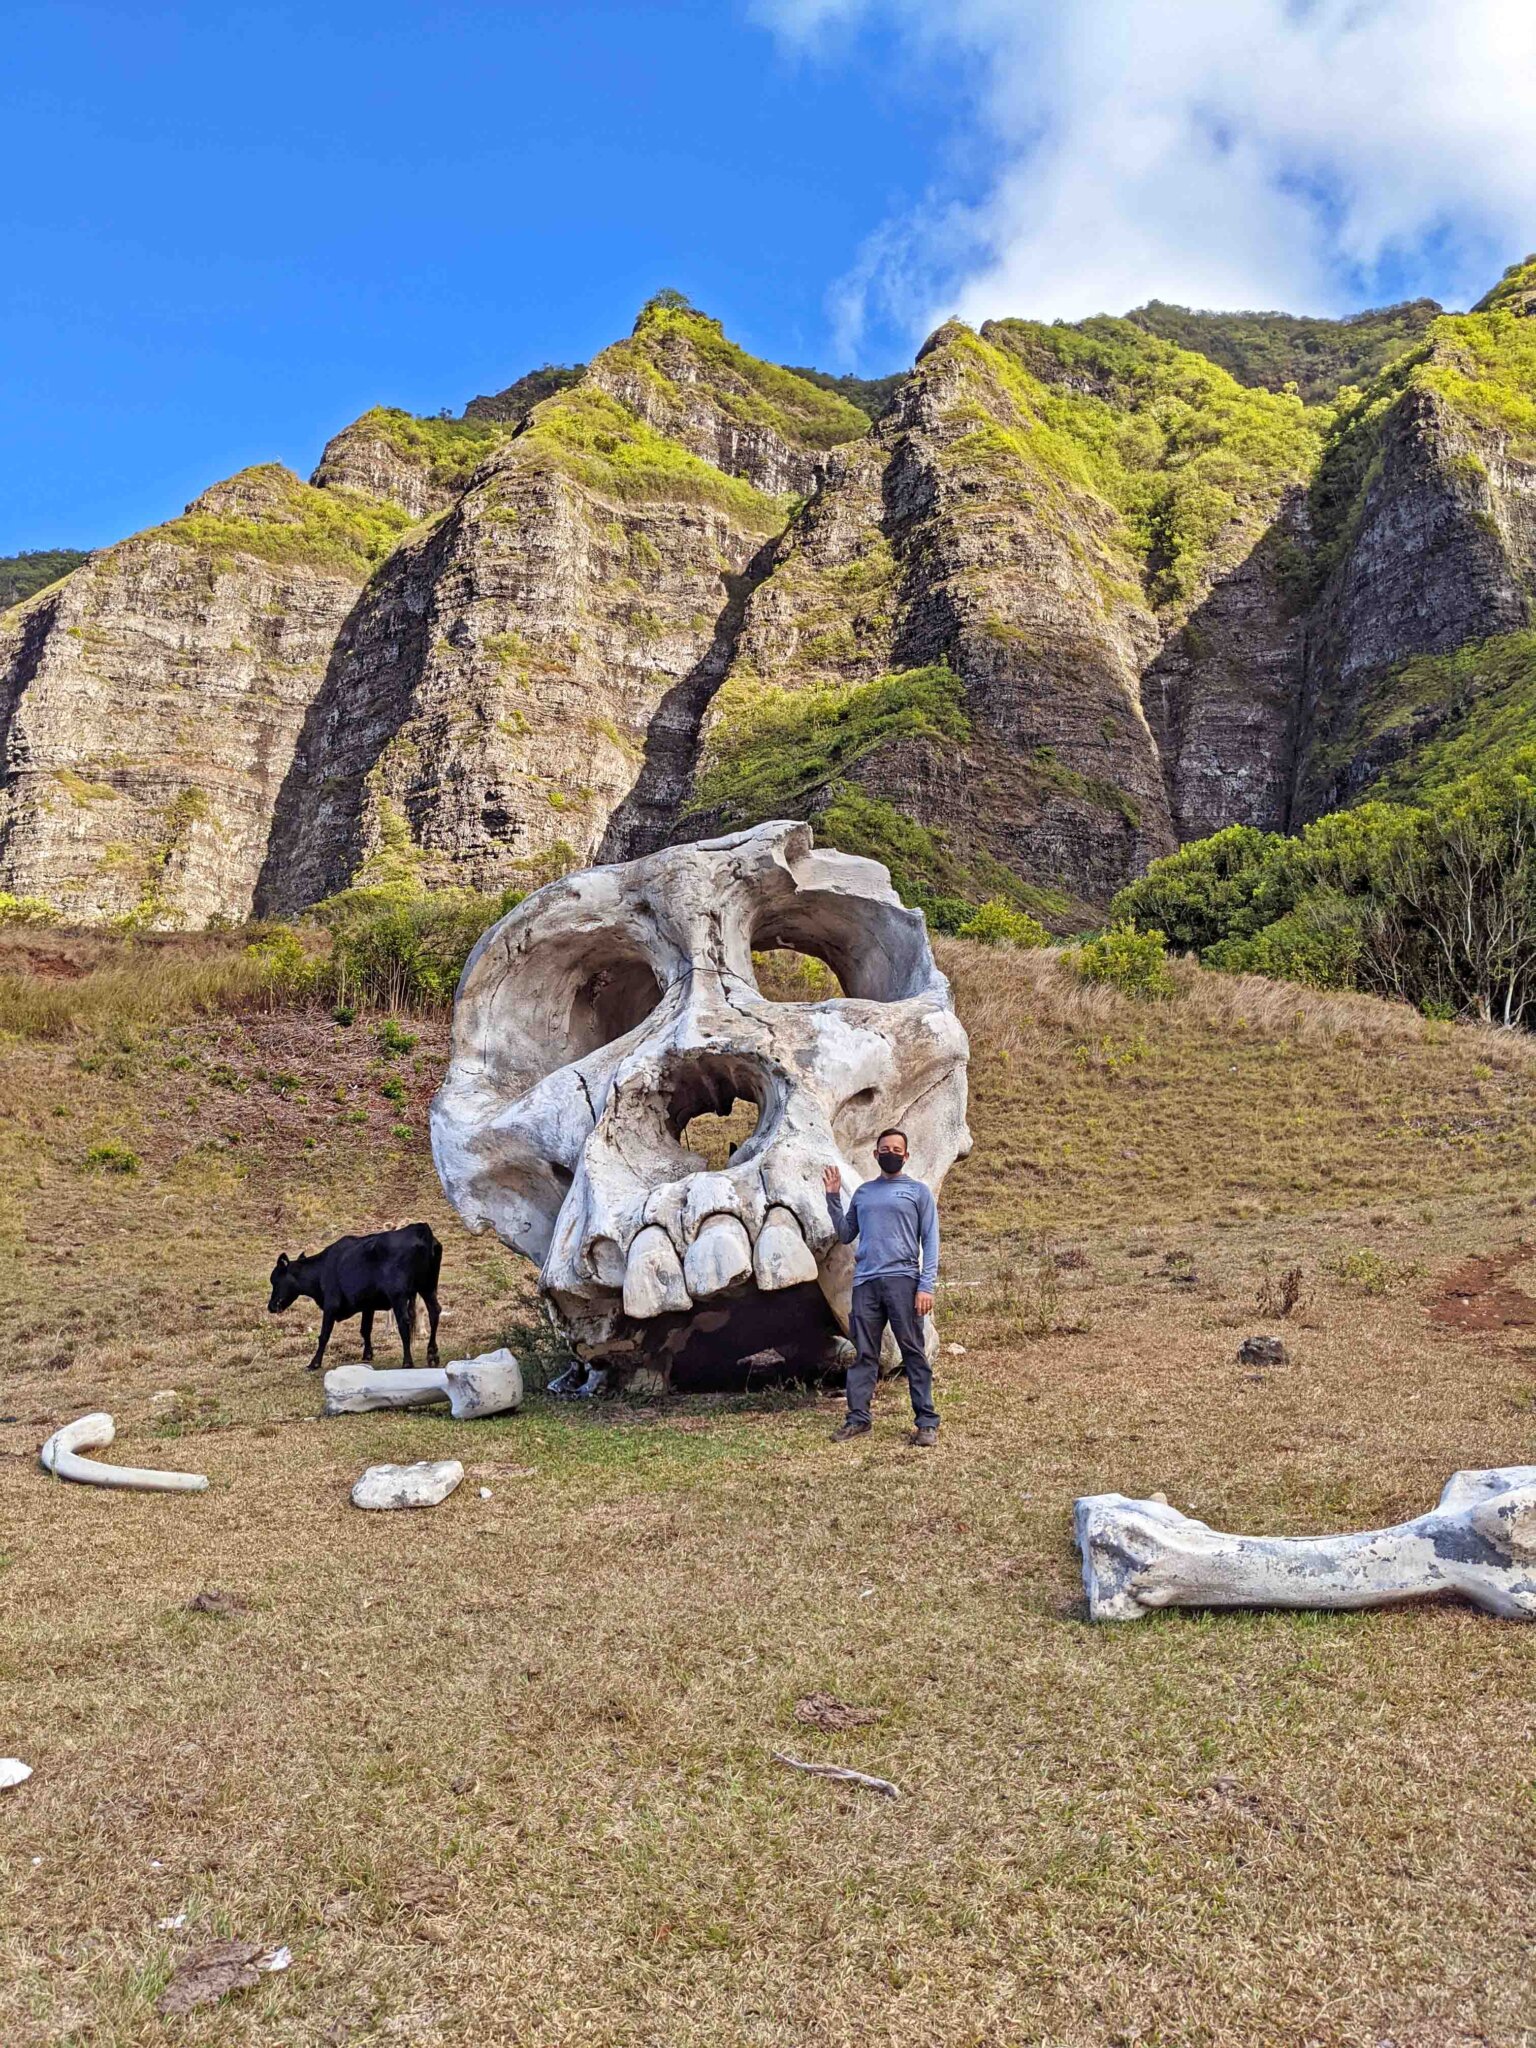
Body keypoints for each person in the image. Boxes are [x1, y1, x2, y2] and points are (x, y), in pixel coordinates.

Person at [822, 1127, 941, 1447]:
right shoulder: (862, 1193)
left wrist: (926, 1286)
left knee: (913, 1351)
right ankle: (858, 1419)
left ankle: (926, 1422)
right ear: (875, 1155)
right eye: (884, 1149)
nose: (890, 1153)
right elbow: (846, 1234)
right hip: (866, 1283)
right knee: (864, 1354)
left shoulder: (918, 1192)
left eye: (896, 1149)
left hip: (904, 1281)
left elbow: (930, 1242)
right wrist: (833, 1199)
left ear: (906, 1155)